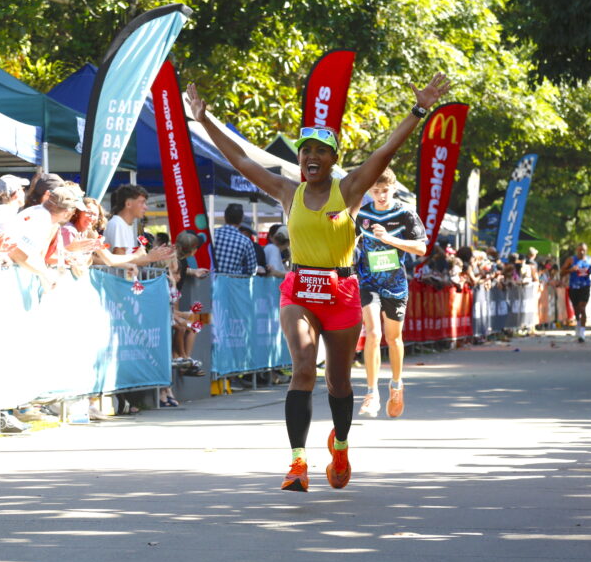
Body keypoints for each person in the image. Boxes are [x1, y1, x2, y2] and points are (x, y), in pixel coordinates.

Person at [187, 72, 450, 492]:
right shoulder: (286, 190)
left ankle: (341, 447)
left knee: (340, 382)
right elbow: (241, 159)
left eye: (319, 151)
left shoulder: (348, 190)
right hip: (299, 289)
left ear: (331, 158)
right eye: (305, 150)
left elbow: (385, 151)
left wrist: (419, 110)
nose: (310, 156)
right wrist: (204, 120)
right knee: (304, 368)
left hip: (342, 290)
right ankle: (297, 463)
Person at [354, 167, 427, 419]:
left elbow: (421, 248)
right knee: (373, 333)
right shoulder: (362, 213)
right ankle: (371, 393)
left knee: (393, 338)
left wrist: (390, 240)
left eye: (385, 191)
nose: (381, 196)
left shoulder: (405, 213)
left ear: (393, 189)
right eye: (375, 191)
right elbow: (346, 243)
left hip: (395, 284)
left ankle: (396, 385)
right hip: (368, 281)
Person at [560, 243, 591, 342]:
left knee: (582, 308)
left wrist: (590, 270)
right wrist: (571, 270)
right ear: (576, 250)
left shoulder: (590, 259)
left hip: (585, 286)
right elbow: (561, 272)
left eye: (583, 250)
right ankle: (578, 325)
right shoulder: (571, 260)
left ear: (586, 250)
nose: (582, 252)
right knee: (576, 309)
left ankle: (582, 333)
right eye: (580, 250)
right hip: (573, 287)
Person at [212, 203, 257, 275]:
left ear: (224, 216)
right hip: (232, 283)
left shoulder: (212, 234)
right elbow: (252, 270)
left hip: (211, 280)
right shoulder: (246, 241)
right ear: (241, 219)